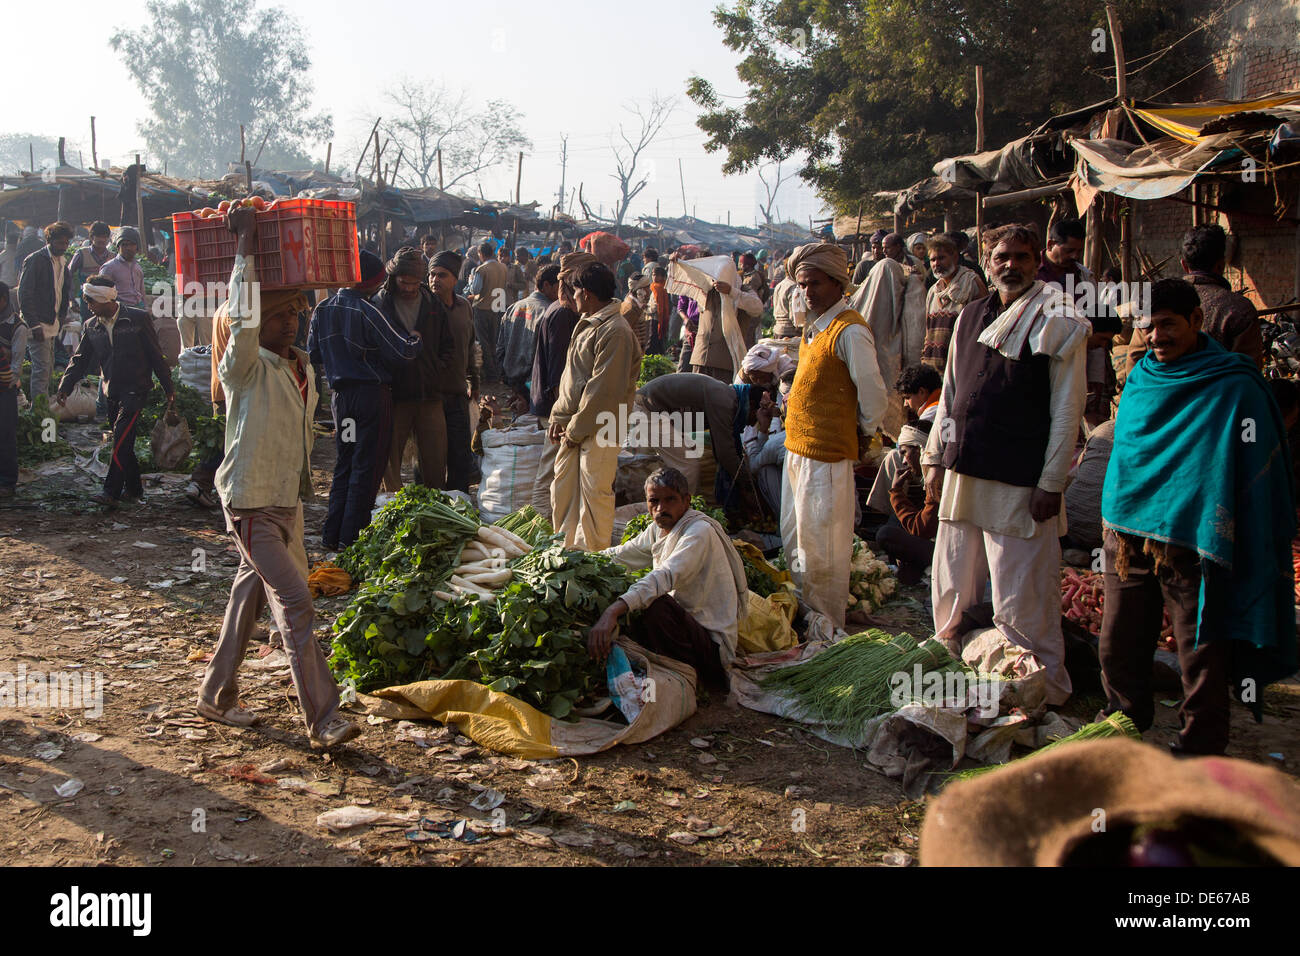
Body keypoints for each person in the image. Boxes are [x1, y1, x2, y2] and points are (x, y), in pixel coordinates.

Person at [1099, 278, 1295, 756]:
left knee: (1199, 649)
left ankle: (1199, 744)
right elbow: (1132, 452)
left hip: (1194, 538)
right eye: (1148, 327)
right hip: (1128, 533)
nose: (1156, 336)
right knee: (1118, 642)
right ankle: (1124, 721)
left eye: (1168, 325)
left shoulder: (1233, 382)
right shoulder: (1142, 375)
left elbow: (1254, 464)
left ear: (1197, 321)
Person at [198, 206, 359, 750]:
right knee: (295, 602)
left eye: (293, 315)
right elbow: (239, 320)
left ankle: (216, 695)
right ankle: (324, 719)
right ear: (255, 323)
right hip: (249, 503)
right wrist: (245, 247)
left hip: (285, 504)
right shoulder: (245, 368)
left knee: (249, 594)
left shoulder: (302, 366)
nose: (287, 323)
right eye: (276, 316)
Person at [922, 224, 1089, 705]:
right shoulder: (972, 313)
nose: (1009, 265)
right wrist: (935, 456)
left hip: (1021, 476)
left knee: (1022, 592)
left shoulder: (1058, 317)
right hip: (964, 466)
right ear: (988, 262)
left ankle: (1037, 687)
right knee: (954, 579)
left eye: (1020, 256)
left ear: (1038, 261)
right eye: (1000, 257)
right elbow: (951, 391)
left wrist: (1052, 482)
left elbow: (1067, 408)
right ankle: (953, 662)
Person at [782, 243, 888, 629]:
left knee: (822, 546)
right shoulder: (815, 327)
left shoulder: (850, 330)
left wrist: (865, 433)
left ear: (838, 283)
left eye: (815, 284)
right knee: (796, 539)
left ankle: (827, 625)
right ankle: (806, 615)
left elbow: (873, 393)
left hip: (826, 456)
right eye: (802, 285)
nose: (807, 292)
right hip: (799, 448)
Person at [590, 467, 747, 691]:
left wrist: (612, 612)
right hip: (685, 629)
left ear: (686, 501)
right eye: (654, 501)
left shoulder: (698, 532)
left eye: (670, 500)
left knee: (655, 604)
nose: (661, 508)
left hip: (711, 647)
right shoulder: (658, 528)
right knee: (635, 601)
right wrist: (580, 559)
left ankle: (694, 678)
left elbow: (664, 576)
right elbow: (622, 555)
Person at [308, 248, 422, 549]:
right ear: (370, 282)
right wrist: (416, 339)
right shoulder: (367, 310)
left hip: (341, 400)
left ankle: (331, 535)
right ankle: (352, 538)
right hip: (370, 398)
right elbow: (402, 351)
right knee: (367, 465)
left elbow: (314, 353)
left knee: (345, 461)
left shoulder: (322, 309)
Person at [55, 275, 175, 508]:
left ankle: (110, 492)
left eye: (91, 301)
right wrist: (65, 386)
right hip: (111, 391)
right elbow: (80, 360)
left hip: (136, 389)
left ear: (104, 299)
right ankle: (134, 489)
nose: (88, 306)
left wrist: (168, 387)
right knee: (124, 441)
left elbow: (155, 355)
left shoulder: (137, 319)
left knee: (120, 438)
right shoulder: (92, 326)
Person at [549, 262, 642, 550]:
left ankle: (593, 562)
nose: (571, 296)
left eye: (574, 291)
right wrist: (559, 416)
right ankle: (566, 553)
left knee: (593, 499)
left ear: (587, 294)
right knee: (563, 493)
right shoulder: (589, 322)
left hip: (600, 428)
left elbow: (603, 391)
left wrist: (574, 430)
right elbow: (574, 379)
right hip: (575, 427)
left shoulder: (616, 331)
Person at [372, 247, 450, 494]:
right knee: (390, 459)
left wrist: (437, 369)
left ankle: (434, 504)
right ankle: (392, 505)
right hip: (394, 396)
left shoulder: (432, 303)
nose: (409, 287)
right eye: (404, 282)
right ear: (394, 278)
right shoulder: (379, 304)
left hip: (430, 394)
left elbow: (448, 346)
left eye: (415, 282)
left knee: (435, 458)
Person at [638, 372, 764, 499]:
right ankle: (684, 512)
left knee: (685, 456)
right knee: (689, 468)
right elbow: (725, 453)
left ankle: (670, 501)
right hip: (649, 409)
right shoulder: (724, 402)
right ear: (751, 404)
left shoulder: (728, 396)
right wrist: (749, 482)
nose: (754, 424)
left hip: (658, 410)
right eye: (757, 416)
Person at [529, 252, 589, 519]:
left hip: (558, 406)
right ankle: (538, 526)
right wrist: (561, 415)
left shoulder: (562, 310)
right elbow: (558, 371)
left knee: (560, 470)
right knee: (551, 471)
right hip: (556, 406)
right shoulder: (563, 313)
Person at [850, 231, 927, 437]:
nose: (882, 252)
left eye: (887, 248)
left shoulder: (912, 271)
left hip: (885, 353)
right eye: (880, 248)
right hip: (889, 354)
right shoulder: (875, 272)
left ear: (900, 247)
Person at [867, 363, 943, 519]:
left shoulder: (934, 412)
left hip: (937, 469)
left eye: (907, 398)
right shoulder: (941, 404)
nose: (905, 404)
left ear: (922, 392)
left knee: (894, 457)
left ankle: (889, 515)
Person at [429, 251, 478, 492]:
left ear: (455, 279)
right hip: (430, 397)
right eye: (432, 275)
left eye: (442, 275)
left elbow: (469, 346)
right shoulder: (424, 307)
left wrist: (474, 381)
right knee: (430, 461)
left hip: (458, 393)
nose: (435, 280)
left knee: (460, 458)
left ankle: (458, 508)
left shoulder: (464, 307)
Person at [875, 421, 937, 585]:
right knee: (896, 522)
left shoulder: (936, 478)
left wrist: (896, 492)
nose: (902, 461)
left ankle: (915, 566)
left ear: (918, 450)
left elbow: (921, 528)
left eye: (904, 453)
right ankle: (912, 568)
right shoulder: (931, 475)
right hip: (934, 543)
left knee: (885, 535)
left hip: (945, 550)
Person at [18, 221, 74, 400]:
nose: (63, 247)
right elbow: (25, 294)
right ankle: (40, 413)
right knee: (42, 370)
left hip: (52, 323)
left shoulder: (63, 263)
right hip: (38, 324)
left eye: (66, 243)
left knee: (48, 369)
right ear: (50, 241)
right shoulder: (36, 260)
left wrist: (61, 316)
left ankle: (43, 409)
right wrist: (34, 325)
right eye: (60, 243)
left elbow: (63, 293)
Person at [686, 263, 764, 383]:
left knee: (721, 397)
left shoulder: (742, 289)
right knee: (697, 397)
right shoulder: (707, 288)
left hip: (725, 360)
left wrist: (731, 291)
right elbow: (687, 275)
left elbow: (757, 307)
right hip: (701, 357)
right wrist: (677, 262)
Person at [922, 234, 986, 373]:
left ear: (955, 257)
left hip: (962, 366)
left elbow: (982, 327)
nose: (936, 264)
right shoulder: (933, 291)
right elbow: (929, 332)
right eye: (933, 259)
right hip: (935, 369)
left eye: (941, 258)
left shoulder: (971, 284)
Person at [496, 264, 558, 391]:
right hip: (533, 383)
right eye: (560, 286)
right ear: (547, 285)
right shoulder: (548, 312)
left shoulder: (513, 307)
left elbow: (500, 348)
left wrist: (504, 375)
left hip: (512, 379)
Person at [742, 374, 789, 515]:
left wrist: (771, 421)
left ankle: (784, 520)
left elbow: (754, 465)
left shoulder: (780, 440)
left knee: (765, 470)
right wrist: (765, 426)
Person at [466, 241, 509, 382]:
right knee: (494, 341)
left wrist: (471, 280)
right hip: (497, 307)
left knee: (483, 341)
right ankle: (496, 371)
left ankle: (490, 374)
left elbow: (475, 290)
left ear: (481, 254)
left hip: (482, 308)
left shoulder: (481, 269)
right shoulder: (503, 267)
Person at [0, 282, 26, 498]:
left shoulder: (17, 327)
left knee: (5, 435)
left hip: (4, 389)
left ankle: (8, 481)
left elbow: (16, 367)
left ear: (4, 300)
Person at [68, 222, 115, 320]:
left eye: (105, 237)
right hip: (88, 301)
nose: (102, 240)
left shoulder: (112, 257)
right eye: (98, 236)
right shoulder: (82, 254)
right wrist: (71, 298)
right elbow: (68, 274)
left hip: (107, 301)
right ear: (91, 237)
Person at [100, 227, 147, 309]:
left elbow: (142, 292)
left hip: (139, 308)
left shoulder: (137, 268)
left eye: (132, 244)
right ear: (118, 247)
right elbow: (103, 295)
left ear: (137, 248)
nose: (128, 248)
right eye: (124, 245)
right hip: (120, 310)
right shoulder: (109, 268)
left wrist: (145, 308)